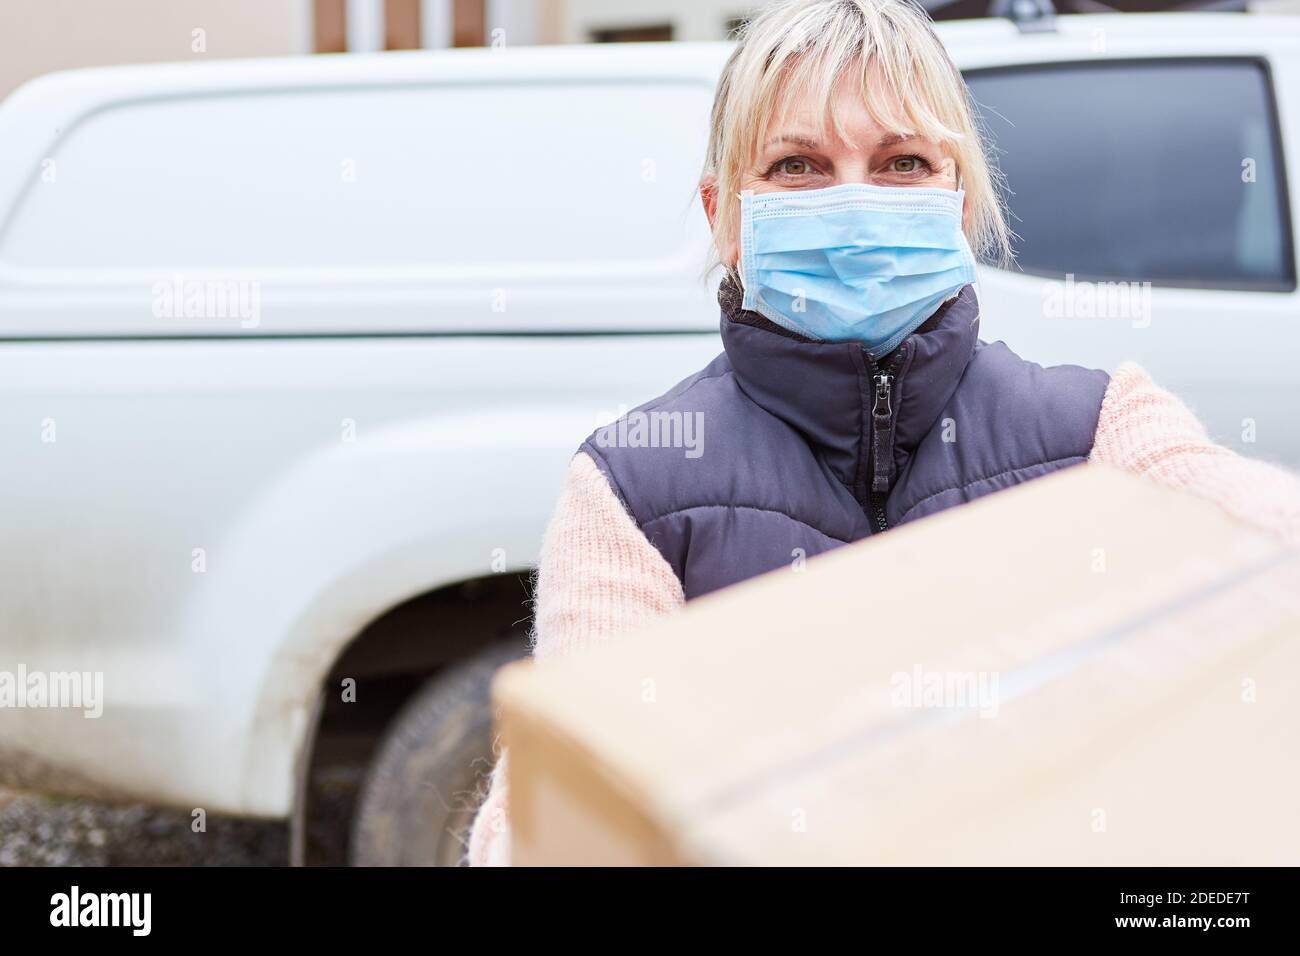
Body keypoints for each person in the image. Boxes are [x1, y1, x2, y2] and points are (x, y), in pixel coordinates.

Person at [466, 0, 1300, 866]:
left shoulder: (1100, 432)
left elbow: (1258, 532)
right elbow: (552, 814)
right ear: (724, 217)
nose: (856, 205)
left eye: (902, 161)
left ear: (960, 199)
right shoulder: (633, 490)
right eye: (798, 166)